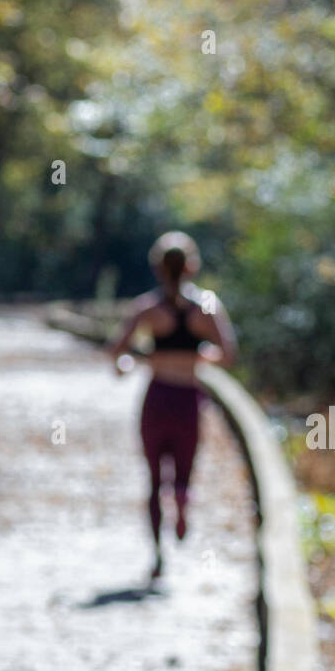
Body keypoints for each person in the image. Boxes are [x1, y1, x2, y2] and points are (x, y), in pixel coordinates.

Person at [107, 232, 237, 580]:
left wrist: (138, 360)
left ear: (157, 268)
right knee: (183, 473)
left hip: (156, 397)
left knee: (153, 479)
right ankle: (181, 502)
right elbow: (228, 353)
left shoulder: (147, 308)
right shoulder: (206, 305)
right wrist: (197, 355)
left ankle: (157, 554)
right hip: (188, 399)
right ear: (192, 266)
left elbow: (116, 350)